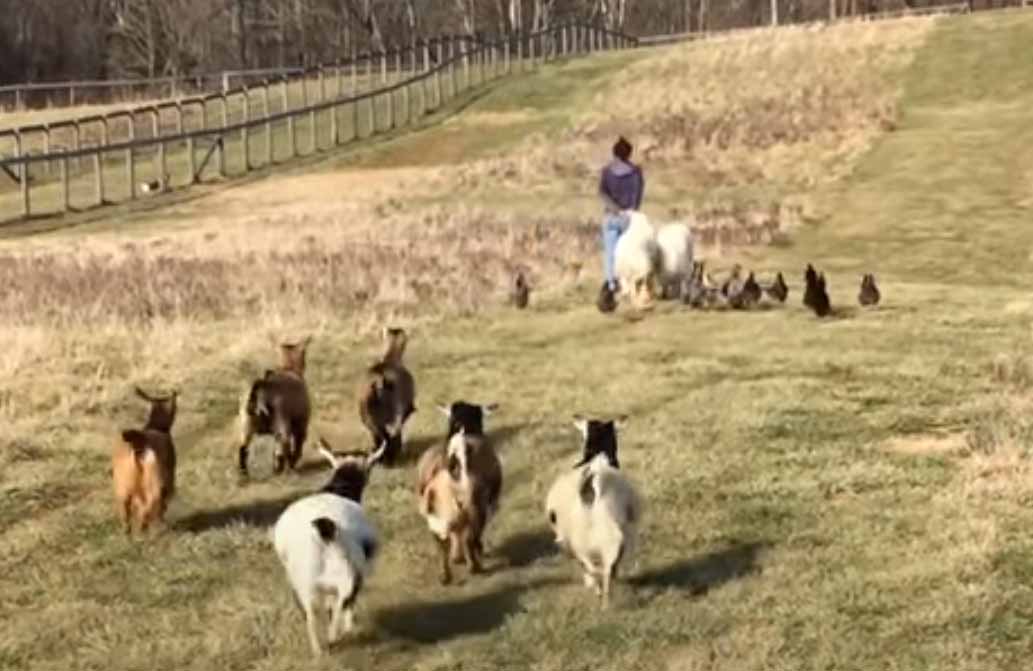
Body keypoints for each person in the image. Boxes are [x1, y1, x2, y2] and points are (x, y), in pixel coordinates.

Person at [598, 136, 645, 292]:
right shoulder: (636, 172)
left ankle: (611, 283)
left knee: (610, 251)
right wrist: (633, 209)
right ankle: (632, 280)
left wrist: (614, 209)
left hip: (612, 216)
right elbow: (638, 193)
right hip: (630, 217)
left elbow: (602, 193)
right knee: (631, 250)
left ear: (615, 154)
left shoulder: (607, 171)